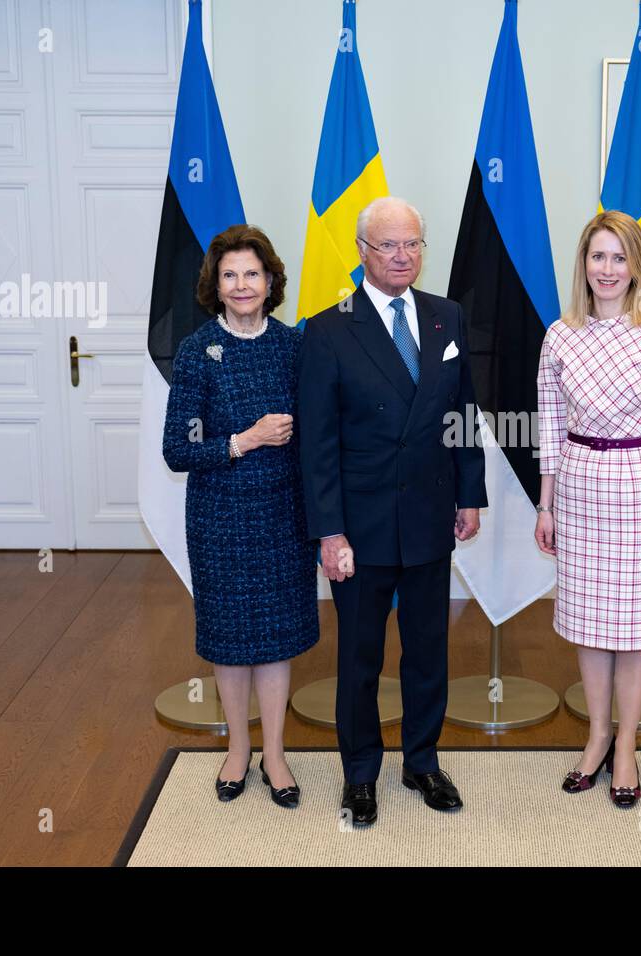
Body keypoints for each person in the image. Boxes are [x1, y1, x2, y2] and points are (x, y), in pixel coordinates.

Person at [297, 196, 487, 827]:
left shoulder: (446, 316)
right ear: (362, 252)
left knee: (429, 650)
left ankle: (423, 761)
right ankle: (360, 773)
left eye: (412, 244)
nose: (403, 256)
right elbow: (317, 444)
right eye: (389, 245)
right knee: (360, 657)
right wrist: (329, 530)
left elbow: (463, 415)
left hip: (432, 516)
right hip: (361, 526)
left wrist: (470, 494)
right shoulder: (327, 330)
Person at [535, 210, 641, 809]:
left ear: (636, 266)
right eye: (597, 257)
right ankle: (597, 736)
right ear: (584, 264)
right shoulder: (560, 334)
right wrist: (546, 504)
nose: (607, 270)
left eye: (618, 258)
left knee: (634, 629)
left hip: (639, 490)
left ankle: (627, 742)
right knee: (588, 624)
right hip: (576, 489)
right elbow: (549, 426)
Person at [162, 224, 318, 808]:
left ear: (271, 280)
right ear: (216, 285)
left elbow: (315, 431)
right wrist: (243, 440)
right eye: (230, 274)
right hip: (220, 518)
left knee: (275, 640)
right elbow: (178, 447)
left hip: (283, 515)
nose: (242, 283)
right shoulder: (196, 352)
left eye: (252, 273)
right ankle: (237, 748)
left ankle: (274, 752)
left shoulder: (293, 346)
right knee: (229, 640)